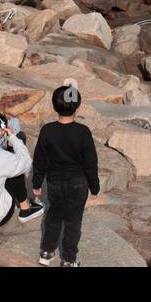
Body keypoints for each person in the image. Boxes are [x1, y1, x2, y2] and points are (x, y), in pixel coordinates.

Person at [32, 84, 99, 267]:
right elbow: (90, 163)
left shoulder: (47, 130)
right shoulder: (83, 132)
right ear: (77, 108)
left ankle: (46, 252)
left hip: (54, 183)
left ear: (54, 106)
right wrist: (94, 186)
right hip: (78, 184)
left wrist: (36, 183)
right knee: (73, 222)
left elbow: (40, 160)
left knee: (53, 216)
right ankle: (69, 259)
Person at [0, 112, 43, 222]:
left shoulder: (6, 125)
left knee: (21, 135)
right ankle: (25, 208)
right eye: (1, 131)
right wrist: (12, 138)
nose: (4, 132)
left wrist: (11, 134)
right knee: (15, 172)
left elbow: (15, 121)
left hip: (4, 154)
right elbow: (26, 162)